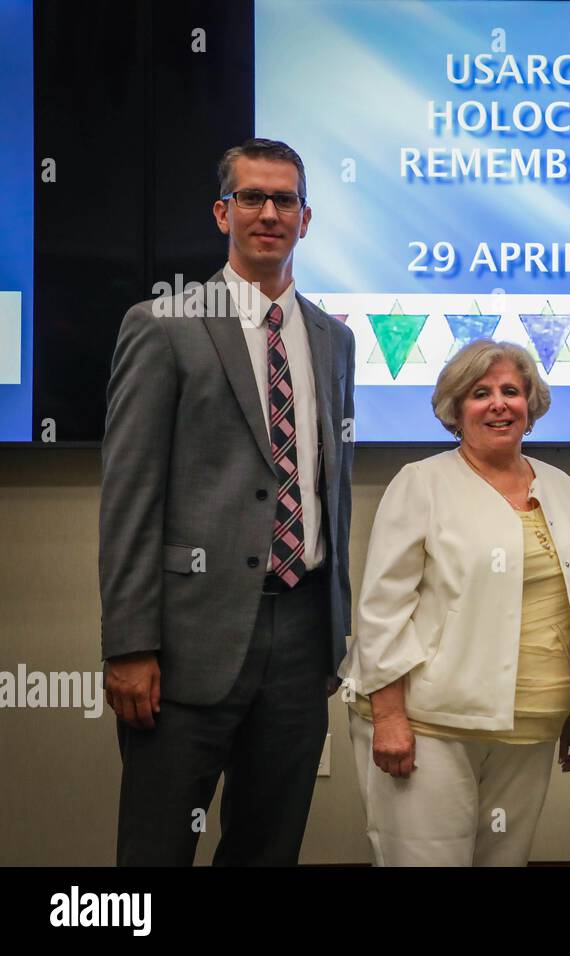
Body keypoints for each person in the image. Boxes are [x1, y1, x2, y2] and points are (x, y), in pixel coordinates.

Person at [101, 138, 356, 865]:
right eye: (252, 198)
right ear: (223, 213)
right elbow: (128, 496)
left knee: (267, 849)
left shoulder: (333, 340)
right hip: (186, 644)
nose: (269, 212)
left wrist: (335, 632)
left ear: (306, 219)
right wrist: (129, 644)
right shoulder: (163, 325)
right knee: (154, 851)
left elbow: (327, 488)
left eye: (284, 200)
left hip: (304, 635)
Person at [342, 339, 570, 866]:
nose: (499, 403)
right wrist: (389, 715)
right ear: (456, 410)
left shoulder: (563, 488)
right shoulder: (422, 483)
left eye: (512, 390)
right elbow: (381, 610)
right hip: (431, 724)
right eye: (480, 393)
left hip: (530, 725)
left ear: (531, 406)